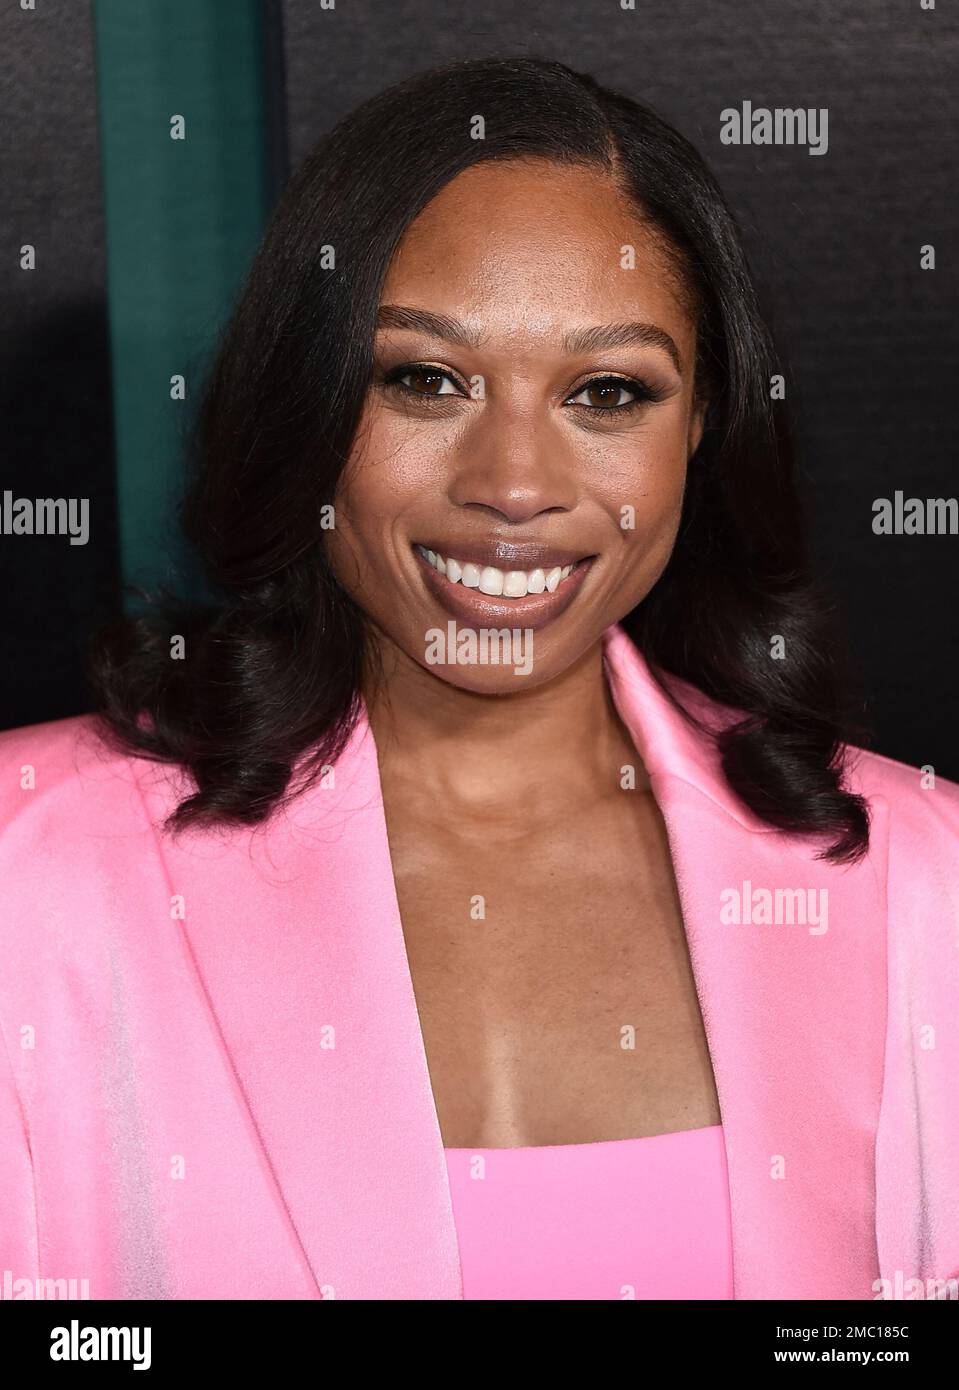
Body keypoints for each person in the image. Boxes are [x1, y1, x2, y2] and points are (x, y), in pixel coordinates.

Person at [1, 56, 957, 1302]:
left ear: (700, 426)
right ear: (310, 400)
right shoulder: (34, 869)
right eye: (425, 379)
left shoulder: (915, 874)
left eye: (606, 392)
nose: (513, 483)